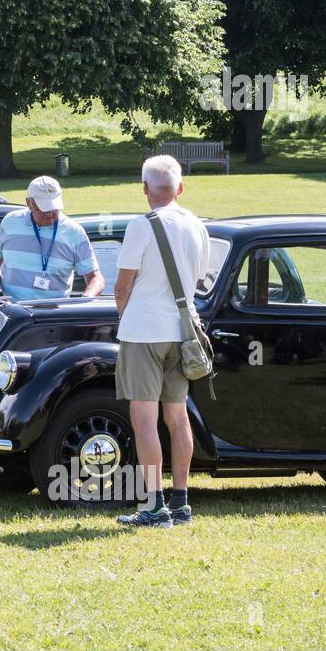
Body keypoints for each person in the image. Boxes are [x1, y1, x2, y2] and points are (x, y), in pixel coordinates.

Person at [112, 155, 211, 528]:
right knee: (177, 415)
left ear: (145, 190)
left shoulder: (141, 225)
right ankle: (181, 501)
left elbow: (123, 285)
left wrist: (125, 316)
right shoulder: (196, 225)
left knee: (143, 418)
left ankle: (154, 505)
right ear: (180, 188)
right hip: (182, 332)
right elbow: (198, 279)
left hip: (143, 331)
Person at [0, 176, 103, 304]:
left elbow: (95, 278)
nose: (50, 214)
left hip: (53, 317)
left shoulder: (74, 232)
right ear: (29, 203)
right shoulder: (10, 222)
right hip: (14, 313)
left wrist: (86, 299)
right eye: (44, 209)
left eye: (54, 208)